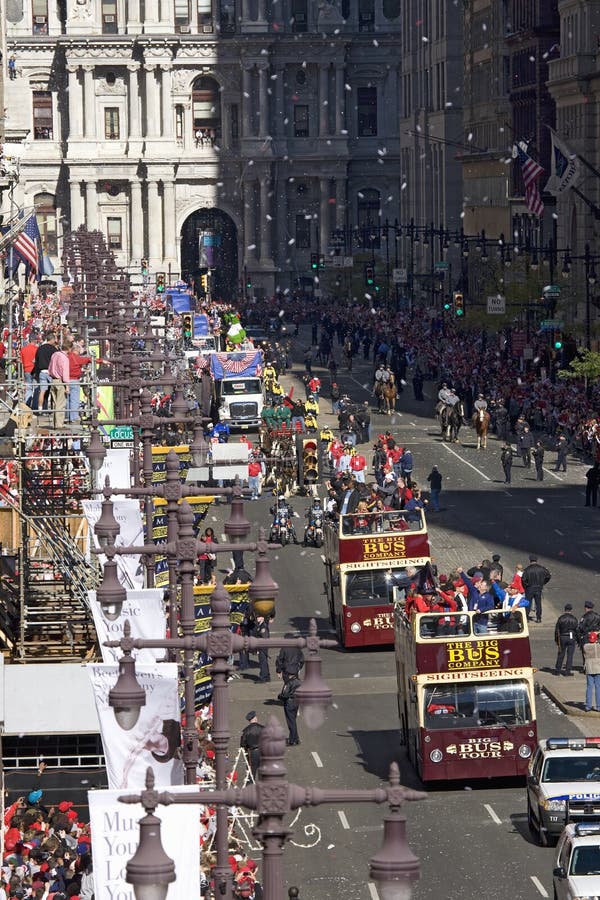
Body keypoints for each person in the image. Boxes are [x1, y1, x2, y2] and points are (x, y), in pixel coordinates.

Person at [47, 338, 71, 429]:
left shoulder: (54, 354)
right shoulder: (64, 358)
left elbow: (50, 367)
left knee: (55, 403)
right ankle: (59, 425)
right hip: (60, 381)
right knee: (61, 404)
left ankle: (54, 423)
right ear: (69, 349)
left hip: (53, 380)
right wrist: (67, 387)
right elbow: (65, 374)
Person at [32, 330, 58, 413]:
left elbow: (36, 360)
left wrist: (36, 372)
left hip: (42, 372)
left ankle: (40, 409)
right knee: (54, 391)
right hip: (51, 373)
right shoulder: (54, 349)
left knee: (42, 391)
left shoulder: (40, 348)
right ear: (52, 340)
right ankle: (53, 409)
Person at [521, 554, 551, 624]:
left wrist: (526, 586)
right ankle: (538, 618)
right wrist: (543, 583)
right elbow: (548, 576)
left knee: (528, 603)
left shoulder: (527, 570)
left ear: (530, 560)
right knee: (538, 603)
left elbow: (523, 580)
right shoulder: (542, 569)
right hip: (538, 588)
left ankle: (526, 617)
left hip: (529, 588)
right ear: (536, 560)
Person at [554, 603, 578, 677]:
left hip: (562, 636)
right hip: (571, 637)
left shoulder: (561, 618)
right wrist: (576, 638)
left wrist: (556, 639)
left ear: (565, 610)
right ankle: (567, 671)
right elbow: (577, 629)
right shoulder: (574, 618)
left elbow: (557, 630)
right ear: (571, 610)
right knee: (570, 655)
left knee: (561, 654)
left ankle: (558, 670)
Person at [279, 671, 301, 745]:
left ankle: (293, 740)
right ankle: (296, 737)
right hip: (296, 702)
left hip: (289, 703)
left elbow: (284, 694)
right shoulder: (299, 682)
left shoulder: (289, 683)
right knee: (293, 721)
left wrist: (280, 696)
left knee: (291, 722)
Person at [240, 711, 264, 778]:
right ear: (255, 718)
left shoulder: (246, 731)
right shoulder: (263, 728)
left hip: (252, 753)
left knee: (250, 774)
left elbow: (242, 744)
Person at [584, 632, 600, 712]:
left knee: (589, 687)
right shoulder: (598, 646)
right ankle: (598, 706)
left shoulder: (585, 646)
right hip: (598, 668)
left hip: (589, 668)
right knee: (598, 687)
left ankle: (588, 706)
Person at [254, 615, 270, 682]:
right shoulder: (259, 626)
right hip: (262, 647)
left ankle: (263, 677)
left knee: (262, 662)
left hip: (262, 647)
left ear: (262, 618)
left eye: (259, 617)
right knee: (264, 662)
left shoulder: (263, 627)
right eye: (257, 617)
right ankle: (267, 676)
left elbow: (264, 637)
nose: (257, 618)